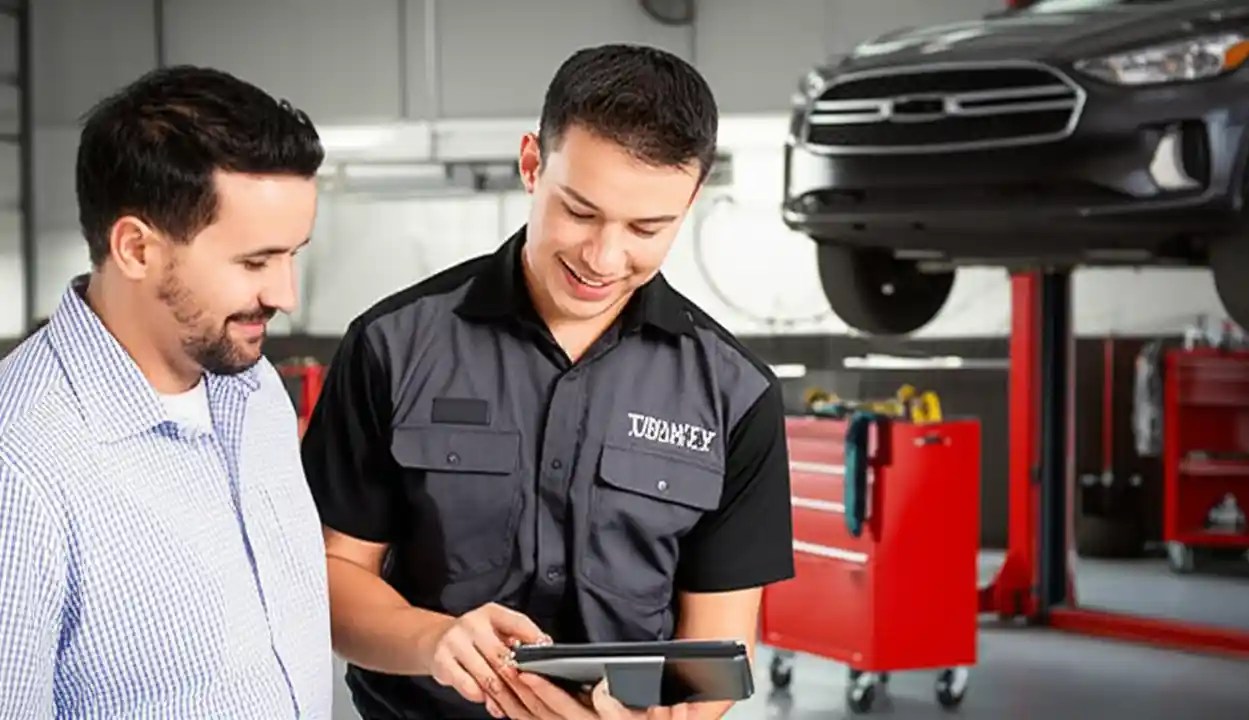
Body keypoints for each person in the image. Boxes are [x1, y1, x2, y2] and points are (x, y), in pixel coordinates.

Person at [302, 43, 795, 720]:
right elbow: (332, 579)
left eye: (648, 227)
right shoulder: (391, 346)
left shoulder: (736, 395)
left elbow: (719, 648)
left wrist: (666, 715)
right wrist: (437, 641)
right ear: (532, 164)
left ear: (691, 200)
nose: (604, 258)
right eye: (581, 212)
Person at [0, 65, 333, 718]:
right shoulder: (20, 467)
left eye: (293, 254)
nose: (285, 295)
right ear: (135, 249)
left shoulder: (255, 389)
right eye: (255, 261)